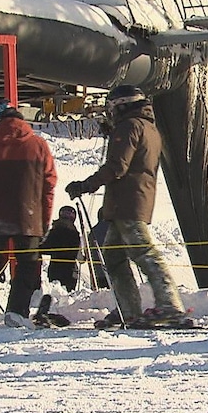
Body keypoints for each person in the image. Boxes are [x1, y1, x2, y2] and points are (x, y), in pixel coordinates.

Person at [66, 85, 187, 327]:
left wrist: (86, 184)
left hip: (127, 202)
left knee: (144, 252)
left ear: (120, 105)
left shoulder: (129, 126)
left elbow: (118, 166)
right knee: (113, 257)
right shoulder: (147, 127)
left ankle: (169, 305)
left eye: (112, 108)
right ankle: (128, 310)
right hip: (133, 200)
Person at [0, 99, 58, 327]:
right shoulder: (39, 145)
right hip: (29, 219)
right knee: (28, 264)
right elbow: (49, 185)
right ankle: (16, 311)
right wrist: (44, 222)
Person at [41, 206, 83, 292]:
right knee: (68, 297)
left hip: (55, 270)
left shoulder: (55, 230)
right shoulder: (75, 234)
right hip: (70, 272)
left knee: (55, 295)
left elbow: (44, 247)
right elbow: (80, 257)